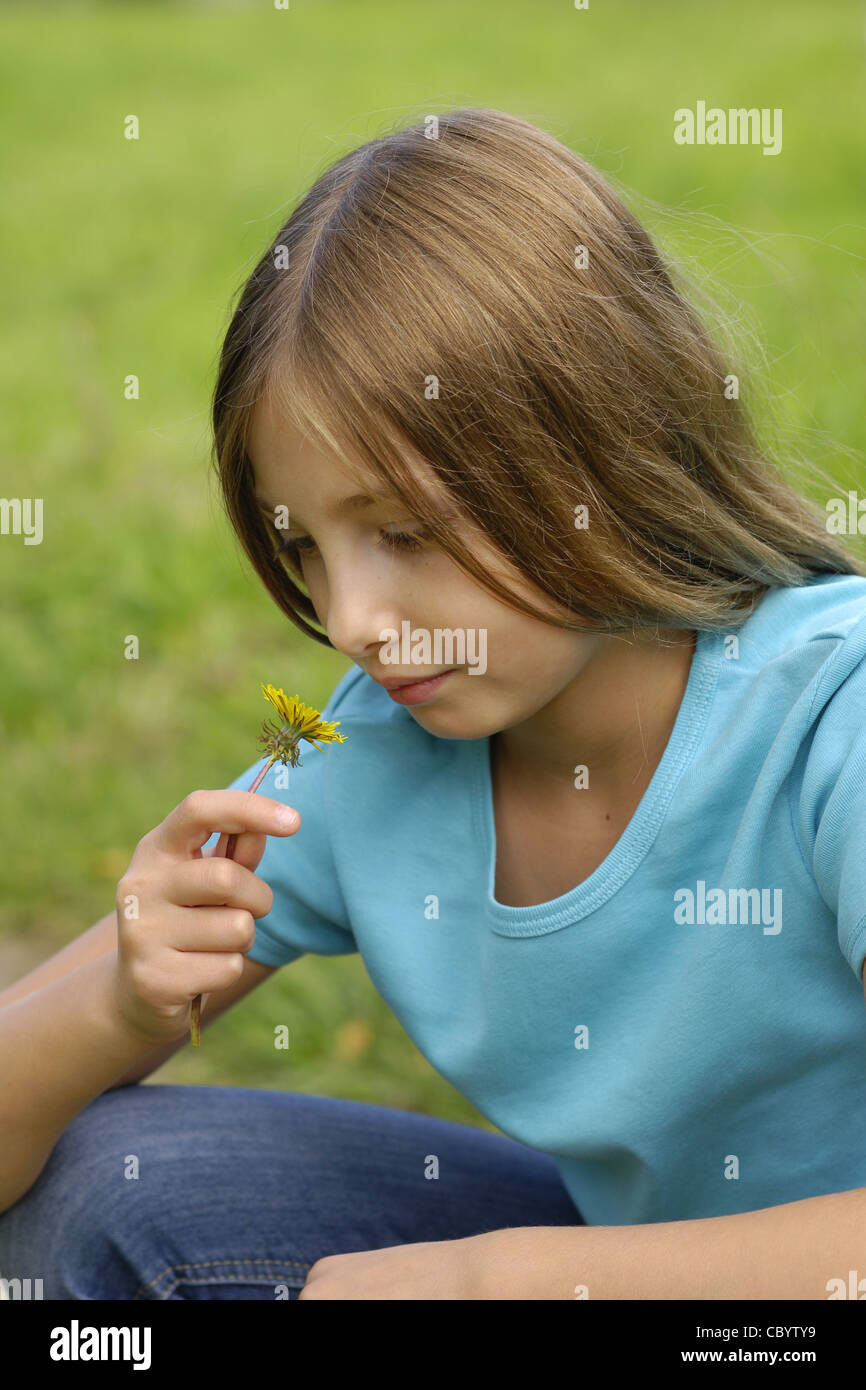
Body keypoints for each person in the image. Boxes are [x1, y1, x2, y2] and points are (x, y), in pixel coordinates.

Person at [2, 106, 865, 1301]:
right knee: (113, 1183)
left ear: (599, 444)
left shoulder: (835, 716)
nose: (351, 616)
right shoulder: (373, 751)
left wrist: (490, 1282)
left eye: (404, 531)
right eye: (305, 547)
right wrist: (112, 1002)